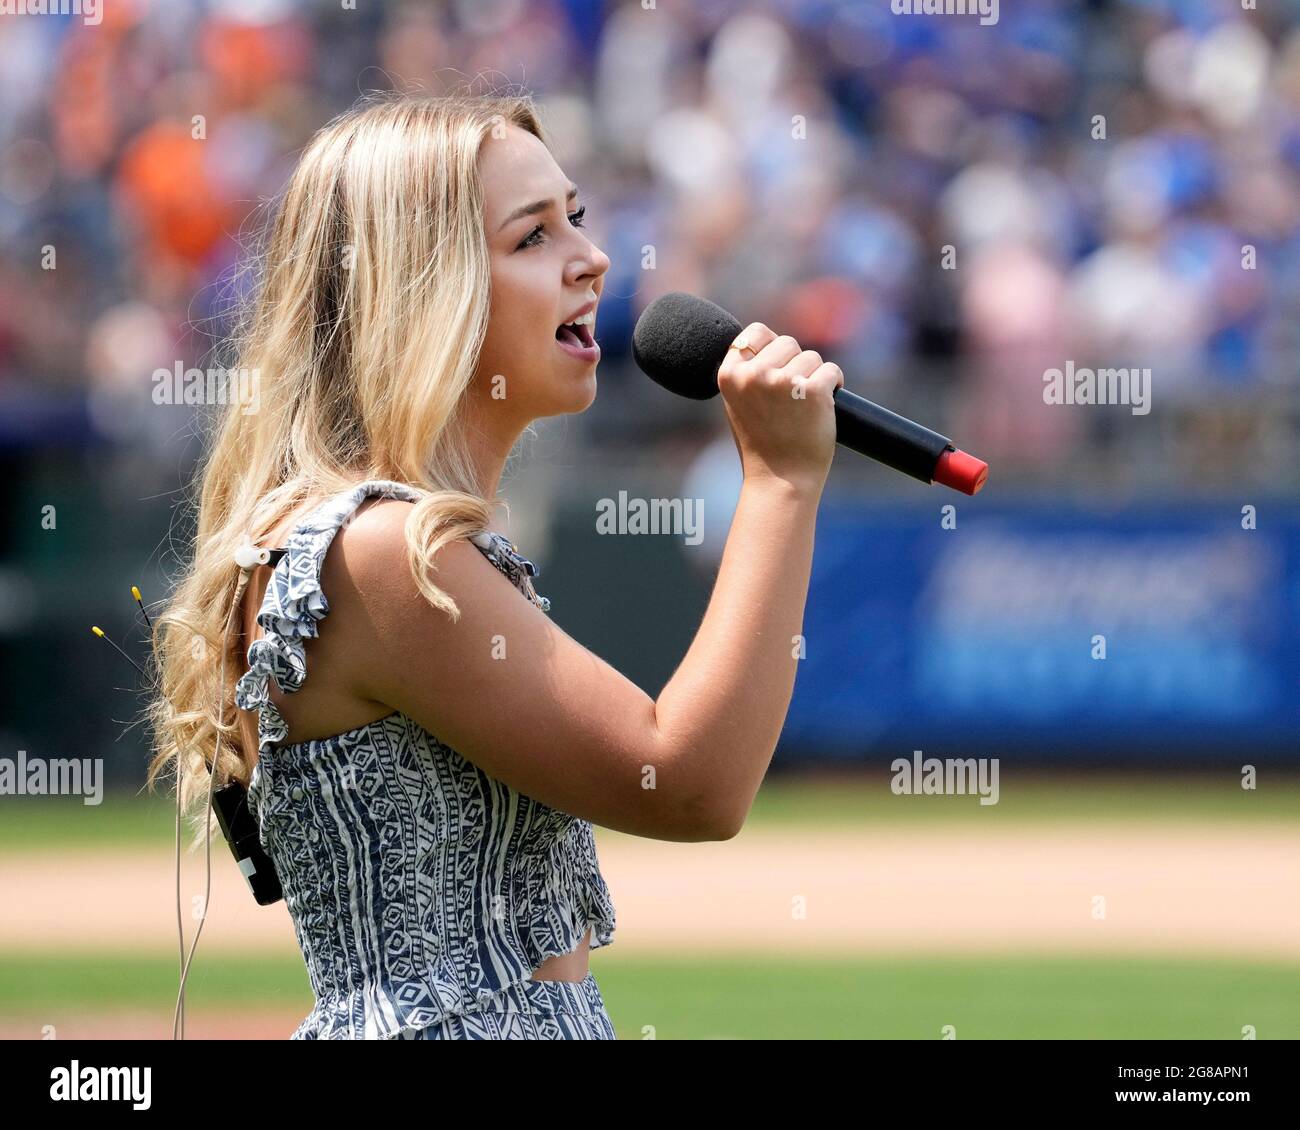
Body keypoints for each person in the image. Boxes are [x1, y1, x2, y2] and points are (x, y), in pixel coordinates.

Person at [145, 89, 843, 1040]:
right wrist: (780, 483)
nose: (593, 259)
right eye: (531, 238)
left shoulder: (379, 539)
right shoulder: (381, 552)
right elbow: (687, 782)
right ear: (418, 286)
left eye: (579, 220)